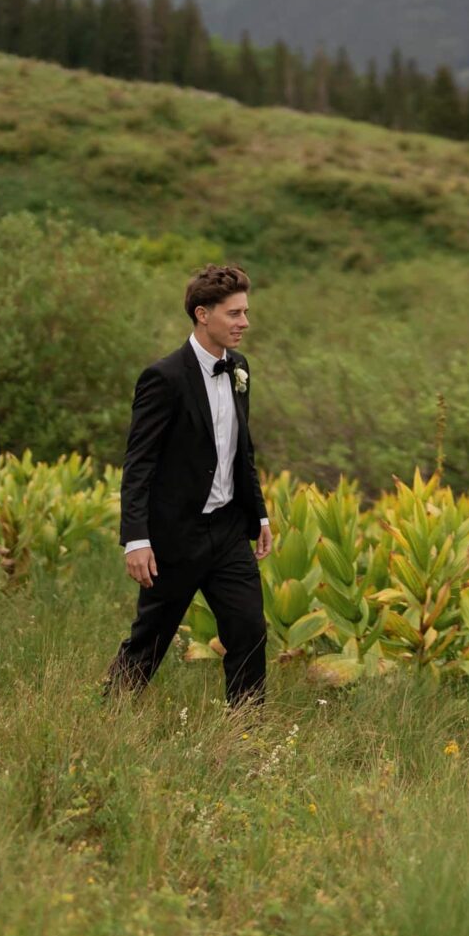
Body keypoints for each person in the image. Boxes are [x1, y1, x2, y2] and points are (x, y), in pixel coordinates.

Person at [103, 263, 274, 702]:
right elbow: (138, 464)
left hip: (228, 530)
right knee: (151, 639)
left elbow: (242, 449)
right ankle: (107, 713)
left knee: (249, 630)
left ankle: (246, 735)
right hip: (176, 535)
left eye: (245, 312)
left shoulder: (240, 369)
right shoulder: (164, 378)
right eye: (234, 314)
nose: (244, 323)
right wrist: (136, 539)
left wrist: (259, 514)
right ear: (203, 314)